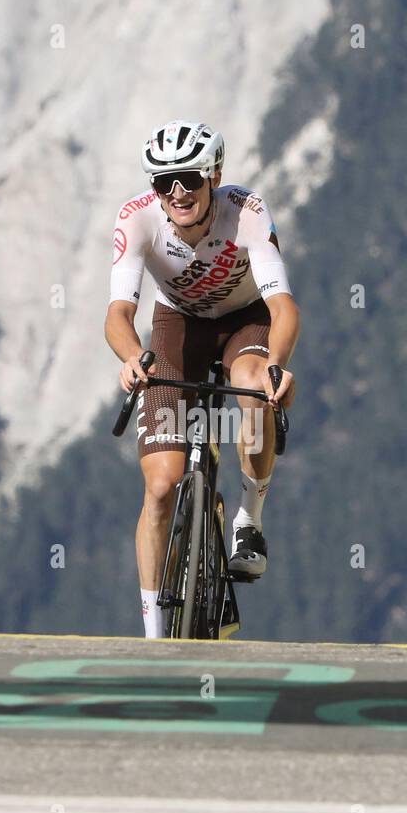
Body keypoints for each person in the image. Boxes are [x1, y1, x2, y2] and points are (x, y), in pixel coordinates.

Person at [104, 120, 300, 639]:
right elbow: (118, 315)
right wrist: (131, 358)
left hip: (245, 320)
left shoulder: (248, 214)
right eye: (163, 182)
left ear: (214, 174)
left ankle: (247, 521)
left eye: (188, 178)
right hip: (178, 326)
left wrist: (278, 364)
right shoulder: (137, 220)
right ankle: (153, 631)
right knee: (162, 485)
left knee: (255, 388)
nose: (177, 192)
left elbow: (282, 307)